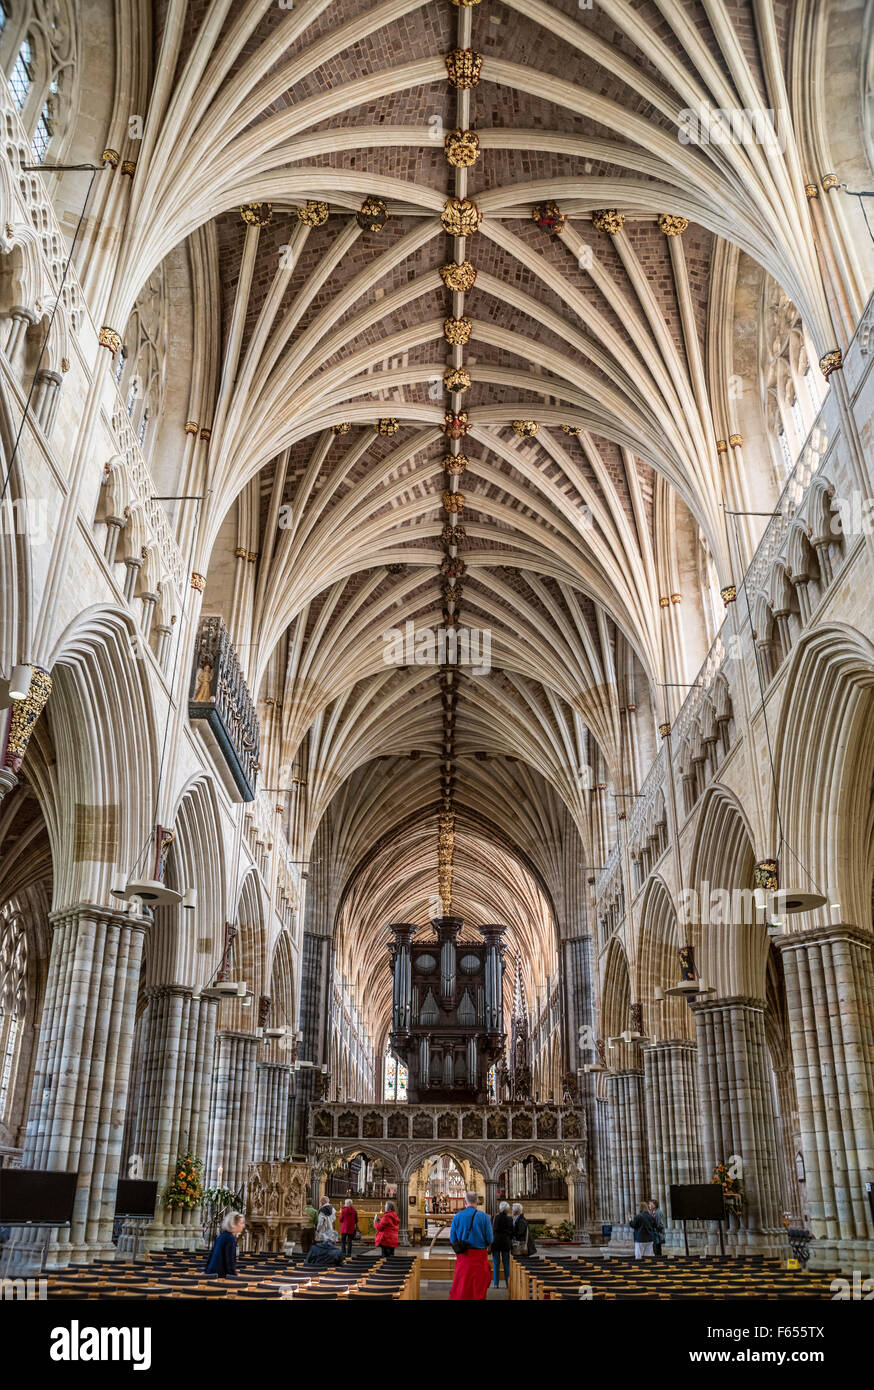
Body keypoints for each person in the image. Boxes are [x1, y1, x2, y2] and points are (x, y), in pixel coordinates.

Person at [448, 1191, 494, 1301]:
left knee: (462, 1289)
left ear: (465, 1202)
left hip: (464, 1258)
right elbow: (490, 1239)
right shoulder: (484, 1217)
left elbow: (452, 1239)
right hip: (480, 1258)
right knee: (478, 1290)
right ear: (477, 1202)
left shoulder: (457, 1217)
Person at [205, 1211, 244, 1277]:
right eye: (241, 1223)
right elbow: (229, 1262)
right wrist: (234, 1277)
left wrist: (206, 1271)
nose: (243, 1225)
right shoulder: (230, 1239)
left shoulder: (221, 1236)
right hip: (220, 1276)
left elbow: (211, 1255)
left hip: (211, 1273)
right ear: (234, 1224)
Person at [491, 1201, 513, 1287]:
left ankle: (496, 1284)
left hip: (495, 1243)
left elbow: (491, 1230)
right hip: (505, 1243)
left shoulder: (494, 1218)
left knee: (496, 1263)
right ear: (507, 1209)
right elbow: (511, 1232)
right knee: (506, 1263)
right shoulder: (509, 1219)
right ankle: (508, 1283)